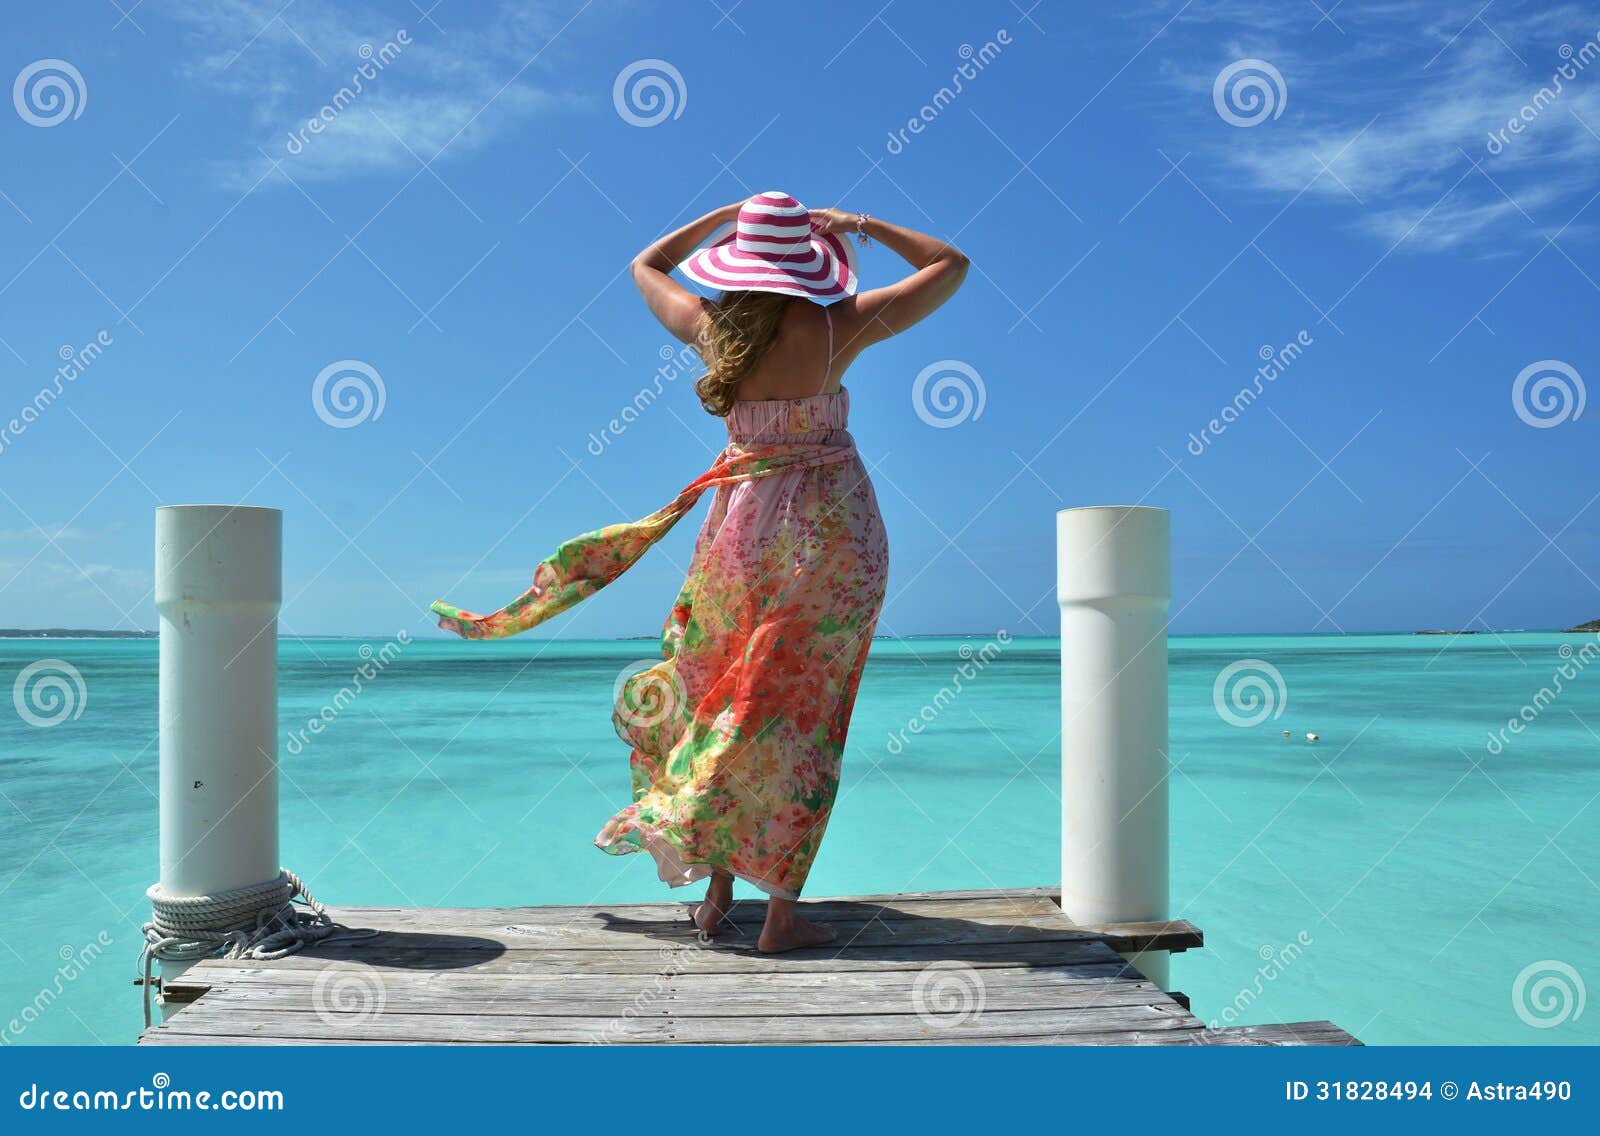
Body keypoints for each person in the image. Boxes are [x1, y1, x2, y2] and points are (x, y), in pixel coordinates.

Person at [431, 190, 967, 951]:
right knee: (804, 713)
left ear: (739, 261)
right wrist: (862, 226)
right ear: (806, 265)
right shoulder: (834, 325)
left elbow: (646, 263)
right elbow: (952, 265)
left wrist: (719, 218)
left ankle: (718, 899)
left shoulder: (712, 330)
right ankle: (779, 914)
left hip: (738, 534)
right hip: (830, 539)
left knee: (722, 693)